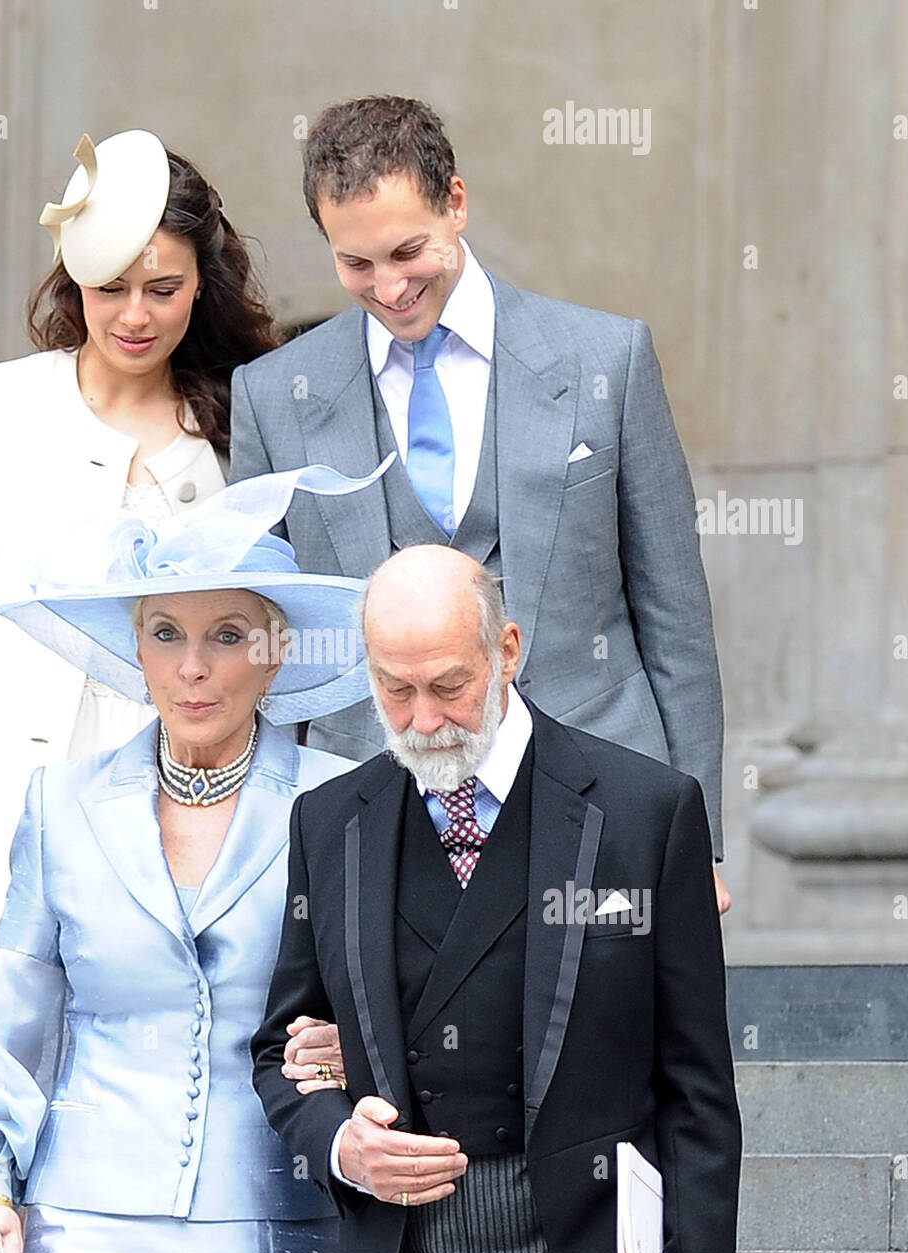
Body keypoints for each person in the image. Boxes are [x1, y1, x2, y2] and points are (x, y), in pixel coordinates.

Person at [0, 130, 280, 1086]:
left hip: (173, 811)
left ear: (202, 283)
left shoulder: (243, 439)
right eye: (108, 286)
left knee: (130, 1089)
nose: (134, 314)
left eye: (161, 287)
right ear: (70, 276)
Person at [0, 464, 386, 1253]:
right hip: (81, 1228)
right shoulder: (63, 803)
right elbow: (16, 1022)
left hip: (281, 1226)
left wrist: (356, 1051)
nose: (191, 667)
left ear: (275, 653)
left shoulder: (346, 802)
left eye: (227, 635)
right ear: (134, 649)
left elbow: (407, 1008)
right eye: (164, 633)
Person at [229, 95, 731, 912]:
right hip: (378, 800)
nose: (389, 288)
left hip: (602, 783)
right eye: (356, 264)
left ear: (456, 204)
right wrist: (282, 860)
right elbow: (274, 644)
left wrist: (697, 843)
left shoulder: (609, 357)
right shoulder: (271, 398)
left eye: (407, 250)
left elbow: (675, 617)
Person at [252, 545, 742, 1253]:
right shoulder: (327, 824)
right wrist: (344, 1146)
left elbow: (697, 1083)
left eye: (449, 685)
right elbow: (283, 1053)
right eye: (394, 690)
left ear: (506, 650)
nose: (423, 720)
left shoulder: (648, 813)